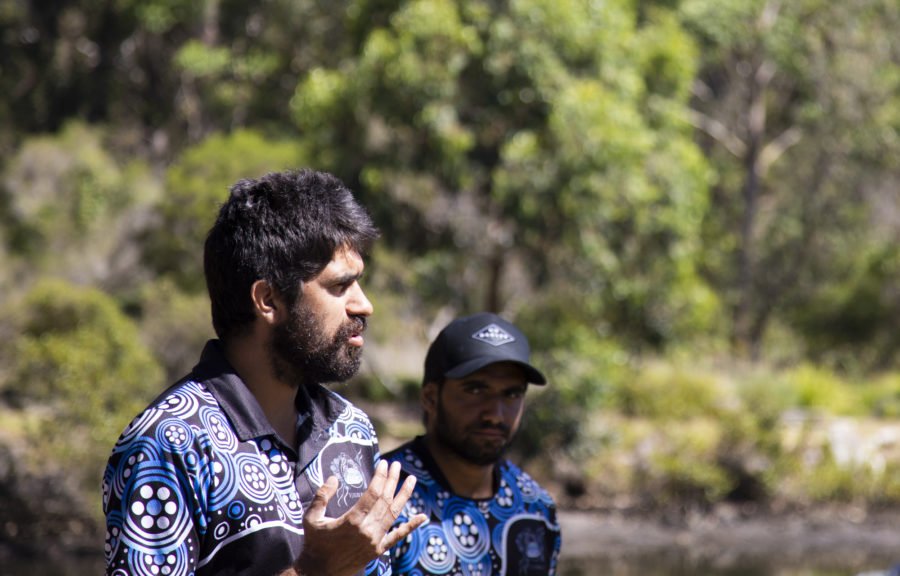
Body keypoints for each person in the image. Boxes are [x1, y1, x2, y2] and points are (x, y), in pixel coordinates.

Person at [102, 169, 426, 576]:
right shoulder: (170, 444)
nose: (364, 305)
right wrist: (312, 570)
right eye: (340, 287)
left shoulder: (351, 428)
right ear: (268, 299)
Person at [385, 312, 562, 575]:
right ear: (431, 398)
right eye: (476, 390)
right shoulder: (383, 497)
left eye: (512, 394)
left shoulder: (534, 509)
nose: (495, 414)